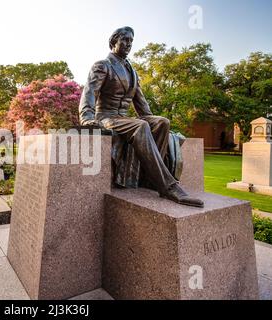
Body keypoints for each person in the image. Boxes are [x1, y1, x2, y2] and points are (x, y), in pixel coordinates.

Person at [79, 26, 203, 208]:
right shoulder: (102, 65)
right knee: (140, 126)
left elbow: (142, 106)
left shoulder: (133, 72)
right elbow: (89, 93)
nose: (129, 44)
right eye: (125, 40)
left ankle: (150, 178)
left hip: (124, 119)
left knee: (162, 122)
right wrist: (86, 118)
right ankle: (168, 186)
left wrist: (151, 119)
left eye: (131, 41)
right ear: (114, 42)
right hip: (106, 117)